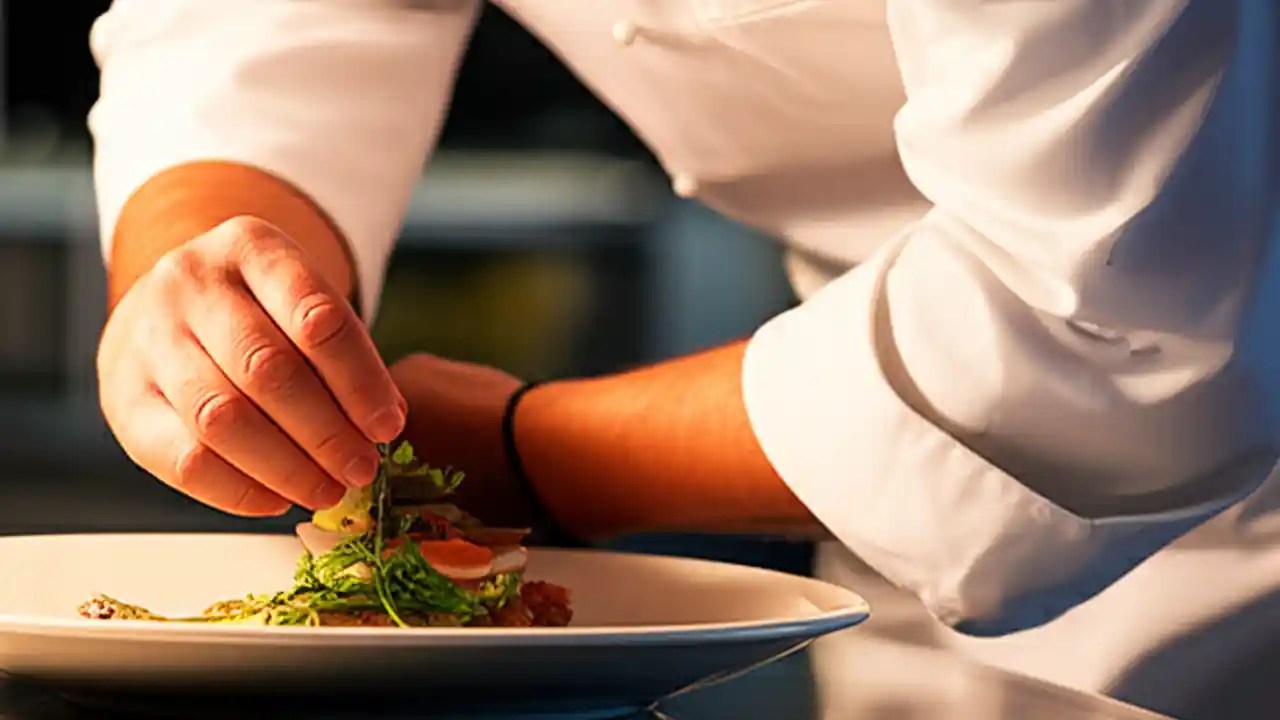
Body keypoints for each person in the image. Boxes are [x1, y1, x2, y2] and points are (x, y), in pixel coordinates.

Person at [87, 0, 1280, 716]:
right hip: (884, 469)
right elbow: (255, 26)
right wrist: (193, 271)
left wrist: (524, 451)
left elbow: (1112, 324)